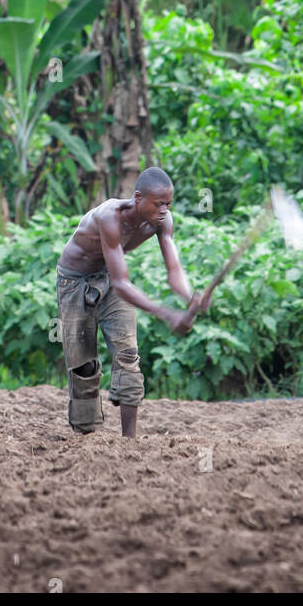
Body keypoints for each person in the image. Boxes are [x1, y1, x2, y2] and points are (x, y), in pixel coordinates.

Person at [55, 166, 207, 439]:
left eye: (168, 204)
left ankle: (129, 442)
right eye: (158, 203)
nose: (163, 210)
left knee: (127, 354)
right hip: (74, 280)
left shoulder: (162, 221)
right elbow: (123, 283)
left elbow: (174, 273)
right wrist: (166, 313)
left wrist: (191, 297)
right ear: (138, 198)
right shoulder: (109, 217)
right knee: (83, 365)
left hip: (110, 278)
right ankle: (86, 438)